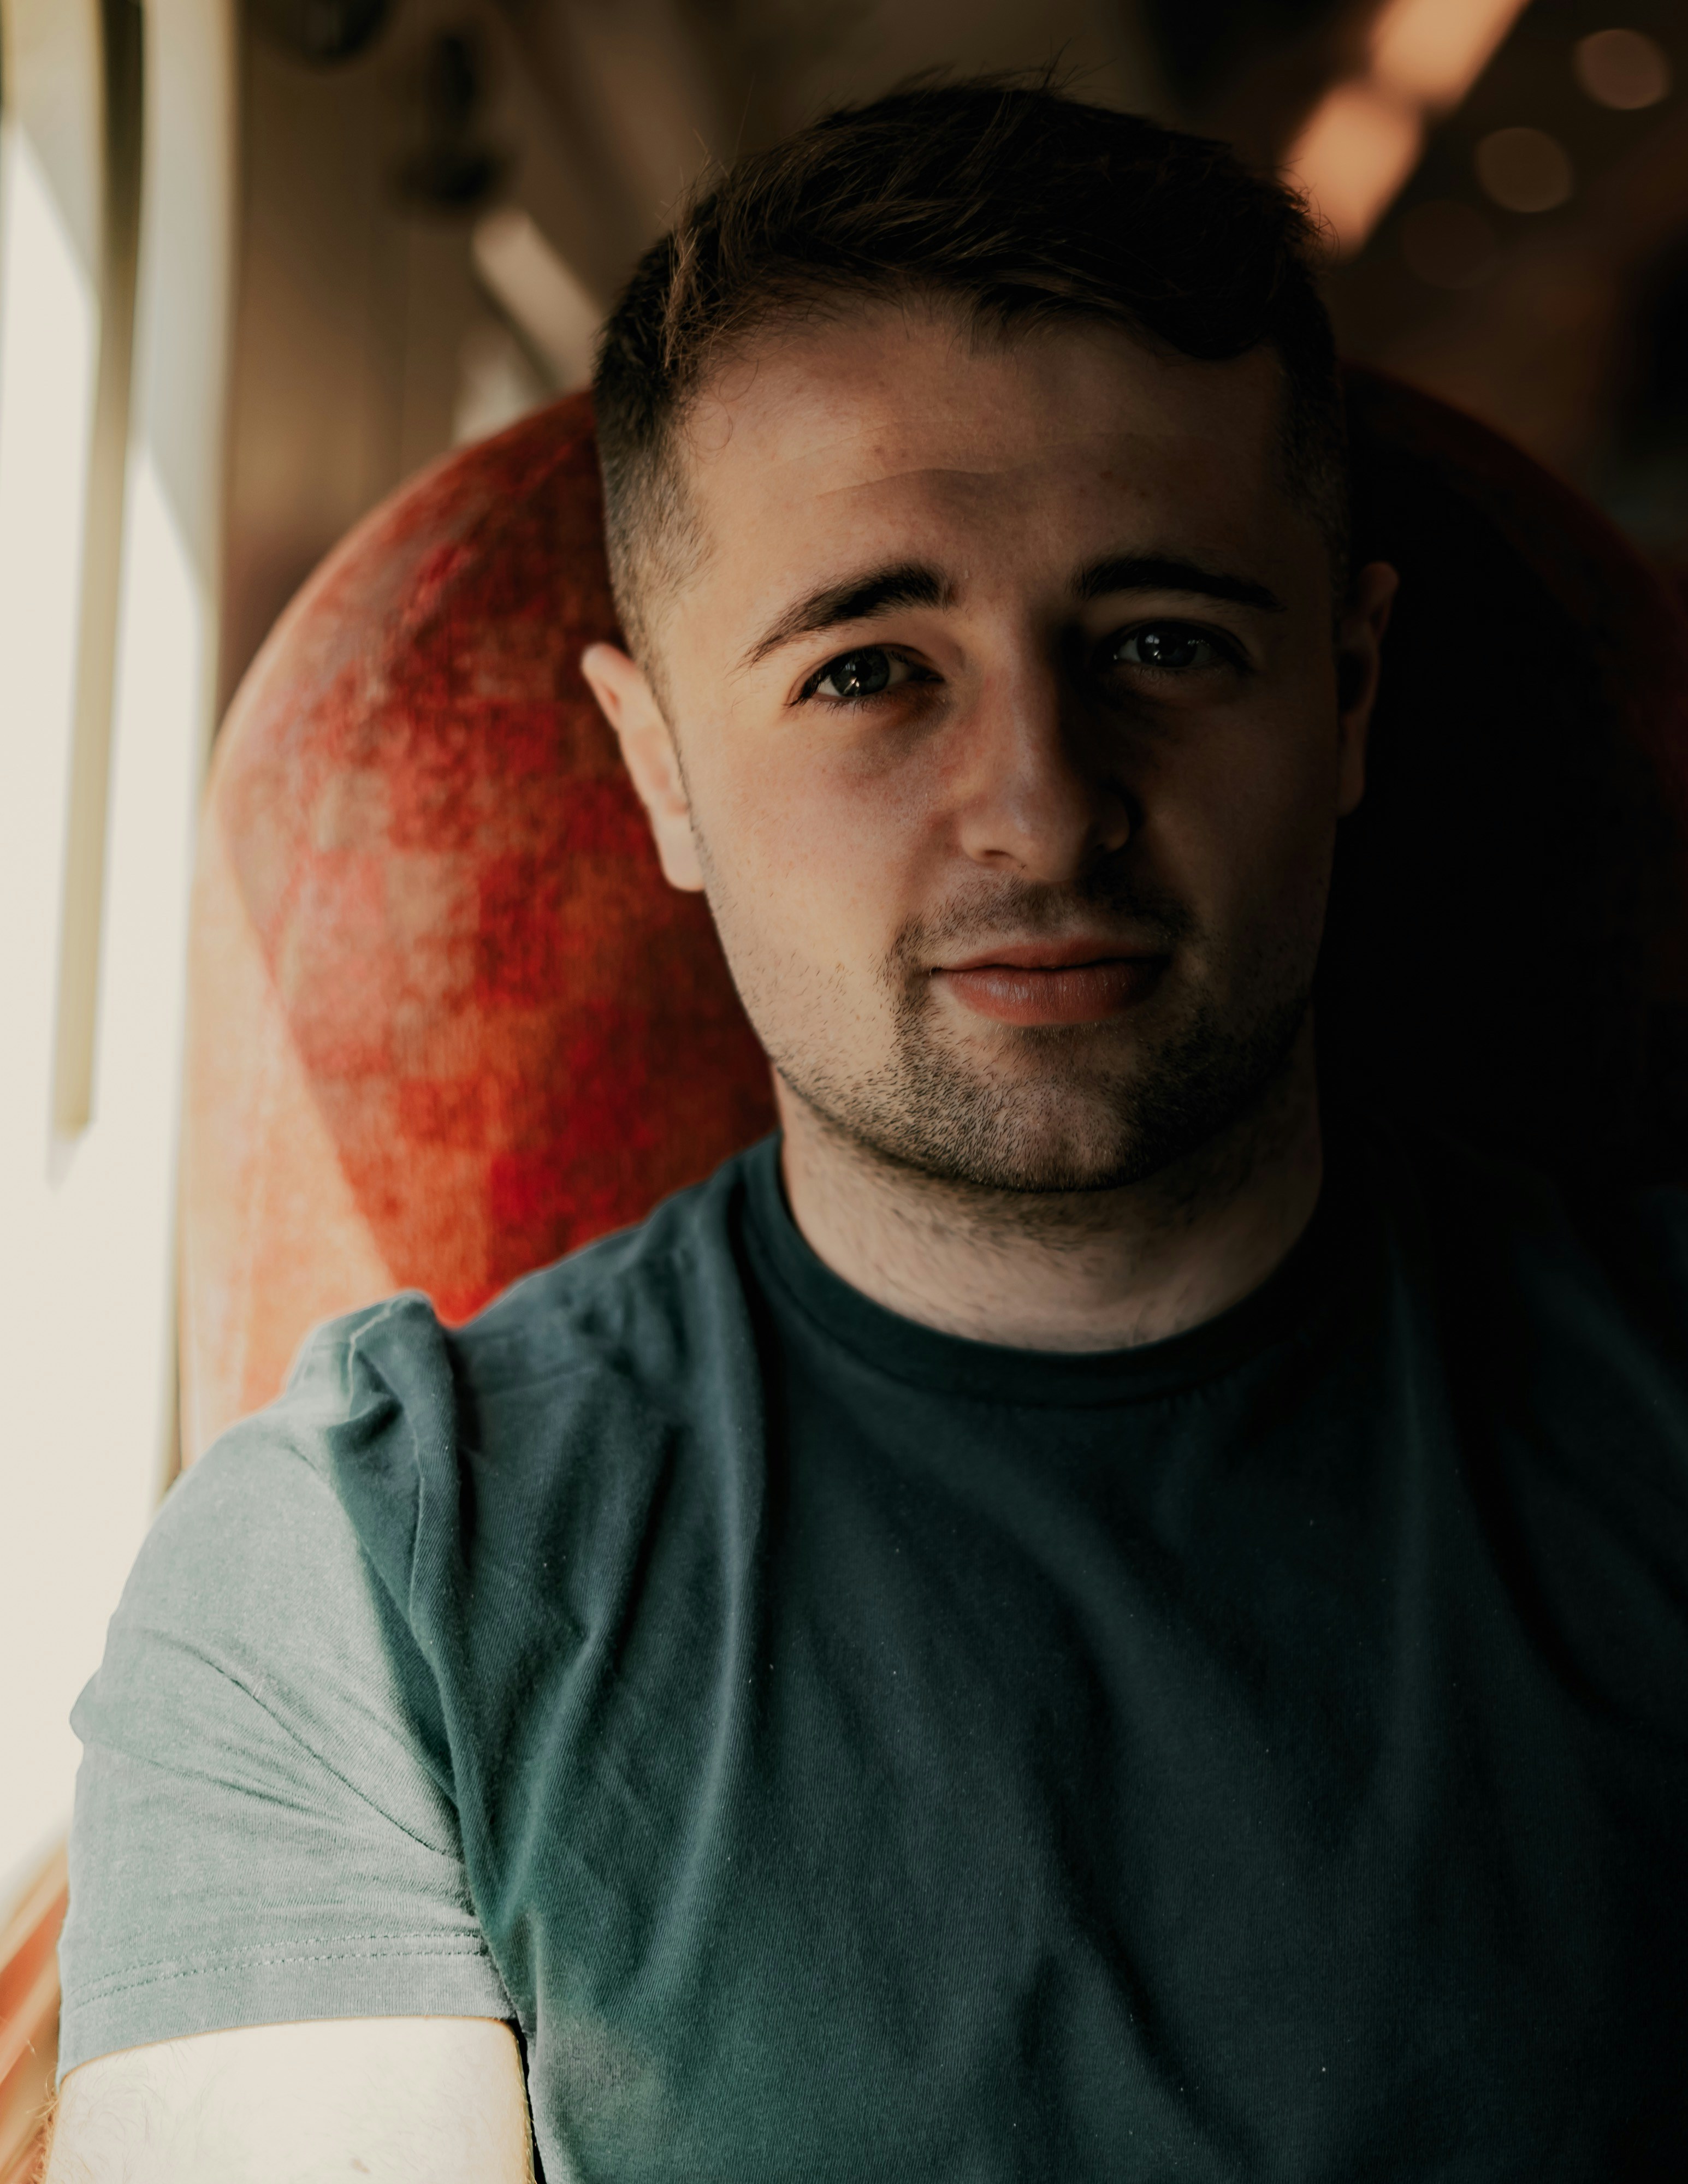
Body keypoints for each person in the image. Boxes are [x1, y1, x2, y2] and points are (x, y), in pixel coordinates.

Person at [45, 79, 1688, 2184]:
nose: (1042, 809)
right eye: (867, 672)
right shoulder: (366, 1580)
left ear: (1347, 694)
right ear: (658, 765)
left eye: (1164, 643)